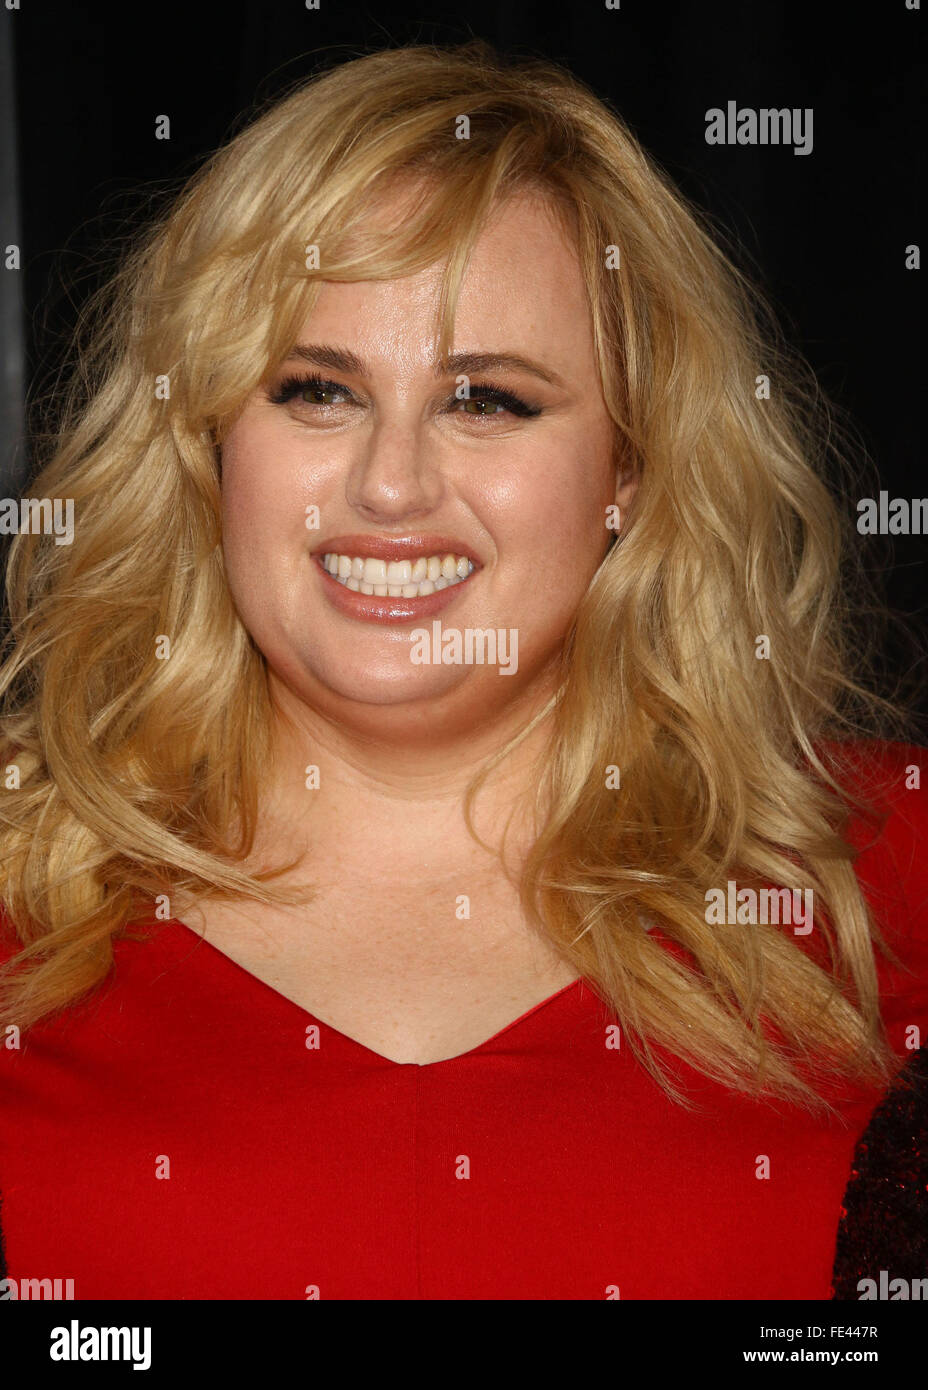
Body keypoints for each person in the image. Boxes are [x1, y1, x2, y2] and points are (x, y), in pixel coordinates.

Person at [0, 41, 924, 1301]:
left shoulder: (890, 870)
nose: (390, 484)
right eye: (316, 389)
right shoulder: (20, 898)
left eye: (486, 399)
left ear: (630, 472)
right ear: (213, 438)